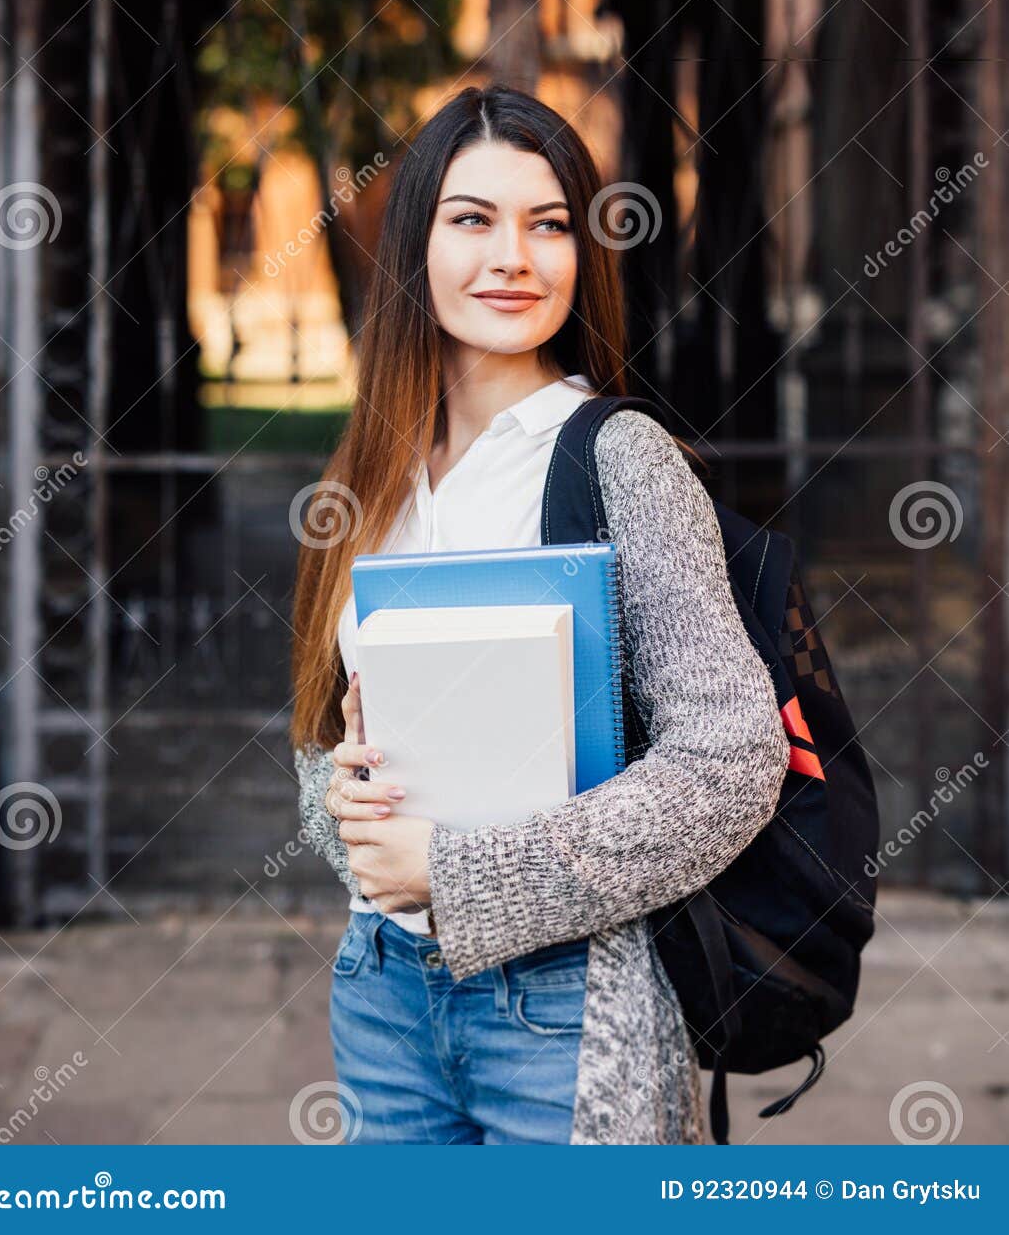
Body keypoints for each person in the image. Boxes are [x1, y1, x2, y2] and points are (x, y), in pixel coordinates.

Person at [290, 82, 789, 1144]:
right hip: (380, 994)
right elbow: (324, 742)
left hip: (561, 1004)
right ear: (414, 245)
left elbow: (731, 758)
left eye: (547, 224)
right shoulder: (367, 475)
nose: (511, 256)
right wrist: (341, 813)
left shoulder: (617, 457)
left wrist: (458, 873)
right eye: (471, 219)